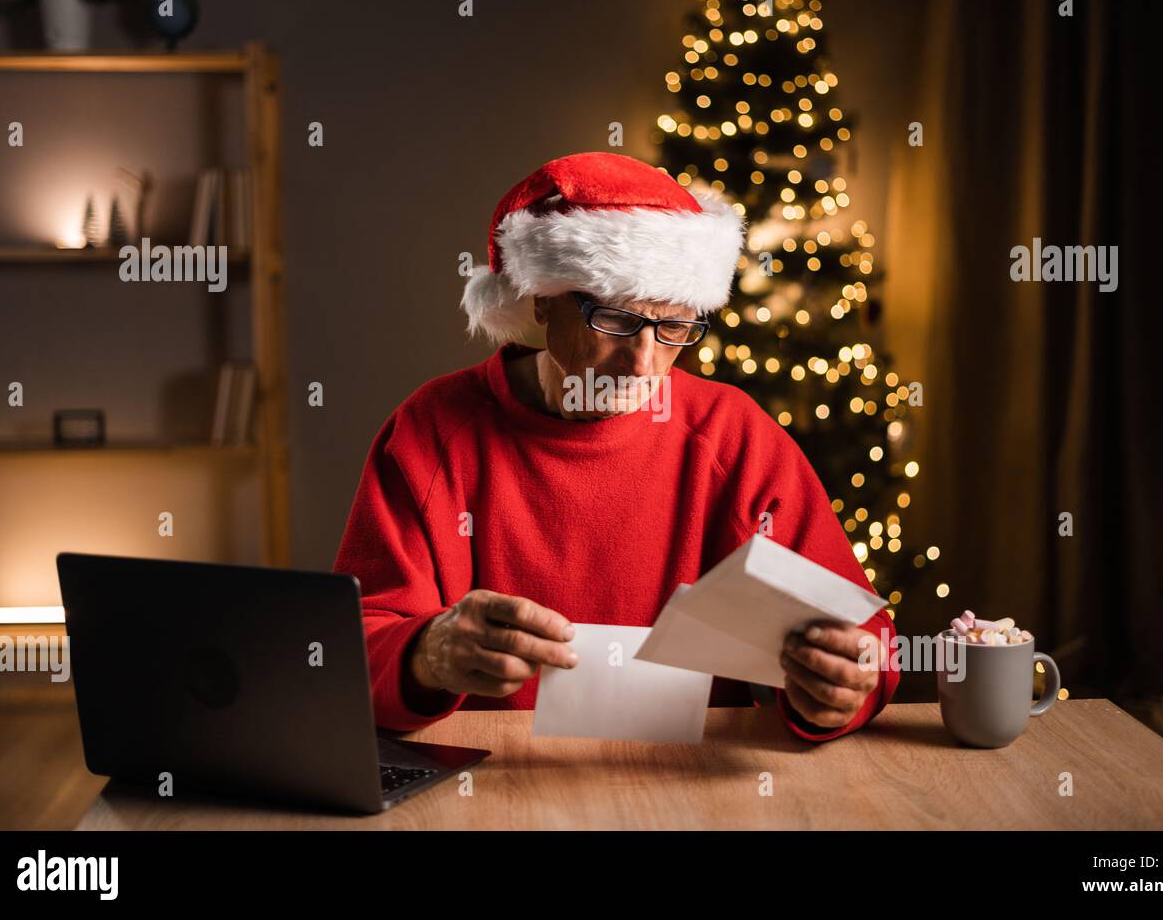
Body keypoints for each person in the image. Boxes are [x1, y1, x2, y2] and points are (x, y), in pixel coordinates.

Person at [333, 151, 899, 742]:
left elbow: (867, 642)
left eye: (674, 327)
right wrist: (427, 655)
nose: (643, 362)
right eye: (617, 320)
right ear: (544, 300)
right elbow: (353, 650)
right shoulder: (433, 431)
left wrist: (844, 685)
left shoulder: (732, 436)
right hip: (486, 784)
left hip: (689, 785)